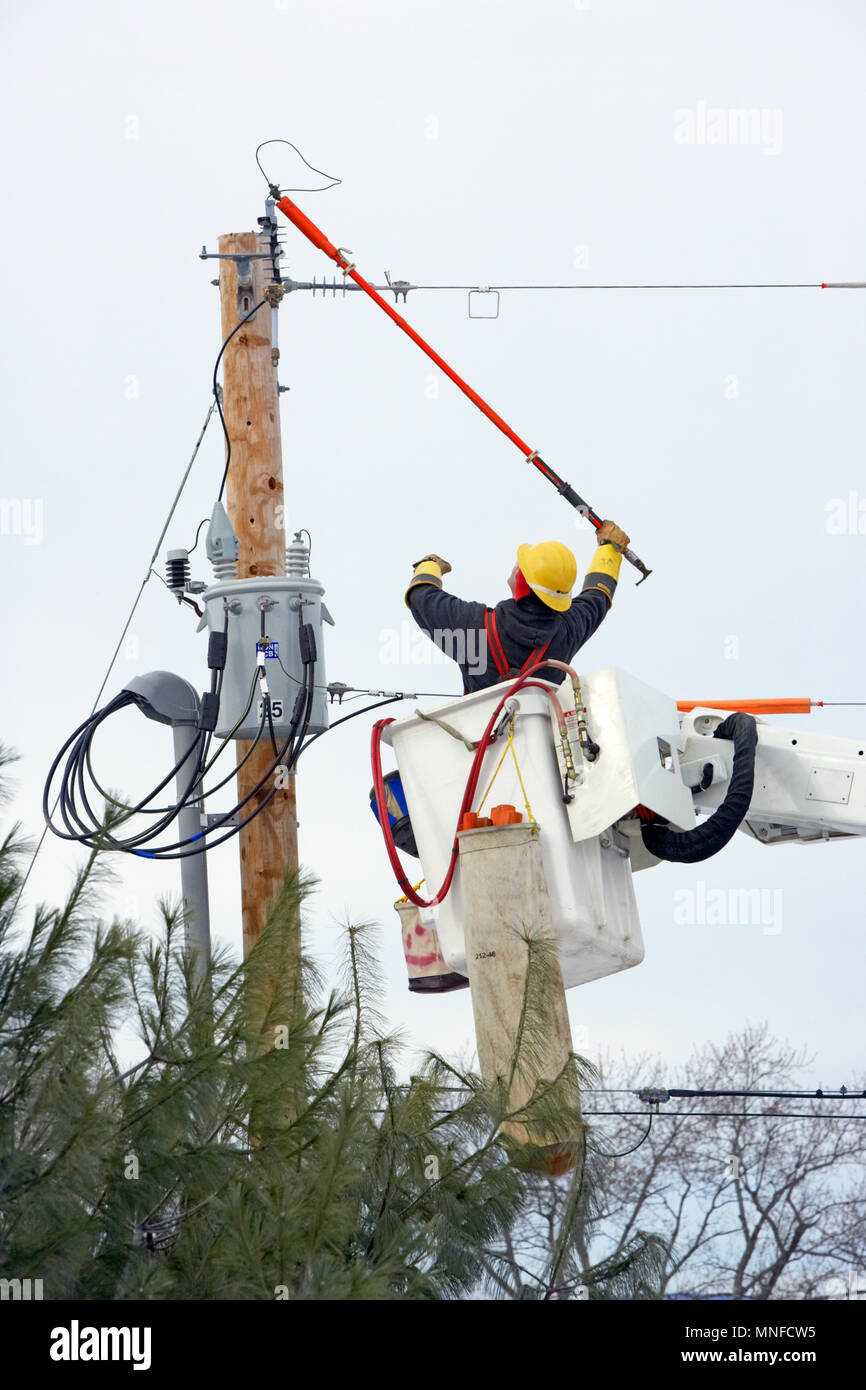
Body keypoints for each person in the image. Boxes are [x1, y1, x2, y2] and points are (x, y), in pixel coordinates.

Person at [405, 522, 630, 693]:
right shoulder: (568, 632)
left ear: (520, 580)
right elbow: (598, 595)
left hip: (484, 748)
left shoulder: (475, 628)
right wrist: (610, 549)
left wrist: (430, 564)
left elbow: (422, 597)